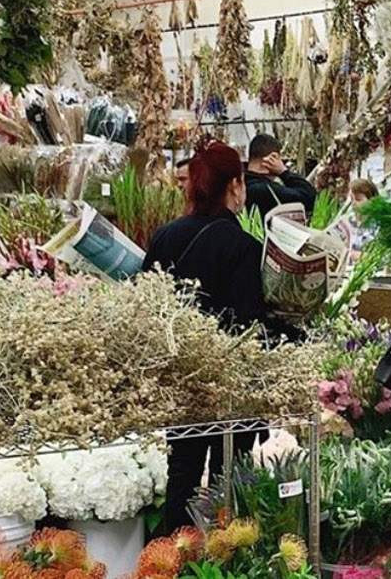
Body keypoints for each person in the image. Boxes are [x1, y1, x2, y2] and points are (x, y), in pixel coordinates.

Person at [141, 141, 267, 534]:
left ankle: (170, 555)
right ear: (235, 184)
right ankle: (222, 553)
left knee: (182, 472)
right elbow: (249, 324)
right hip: (230, 384)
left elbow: (146, 302)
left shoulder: (165, 237)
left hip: (181, 378)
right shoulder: (245, 247)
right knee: (230, 475)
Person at [244, 133, 317, 216]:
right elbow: (309, 197)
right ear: (272, 159)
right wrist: (283, 171)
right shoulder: (264, 190)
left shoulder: (242, 185)